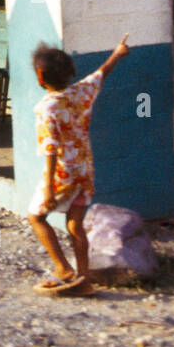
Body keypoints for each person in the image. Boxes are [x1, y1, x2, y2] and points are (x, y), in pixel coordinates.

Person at [27, 33, 130, 295]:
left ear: (40, 77)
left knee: (36, 216)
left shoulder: (46, 108)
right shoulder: (80, 92)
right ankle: (83, 280)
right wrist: (118, 52)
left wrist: (49, 187)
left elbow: (50, 149)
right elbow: (101, 74)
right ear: (69, 72)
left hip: (63, 172)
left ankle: (63, 269)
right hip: (85, 169)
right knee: (75, 224)